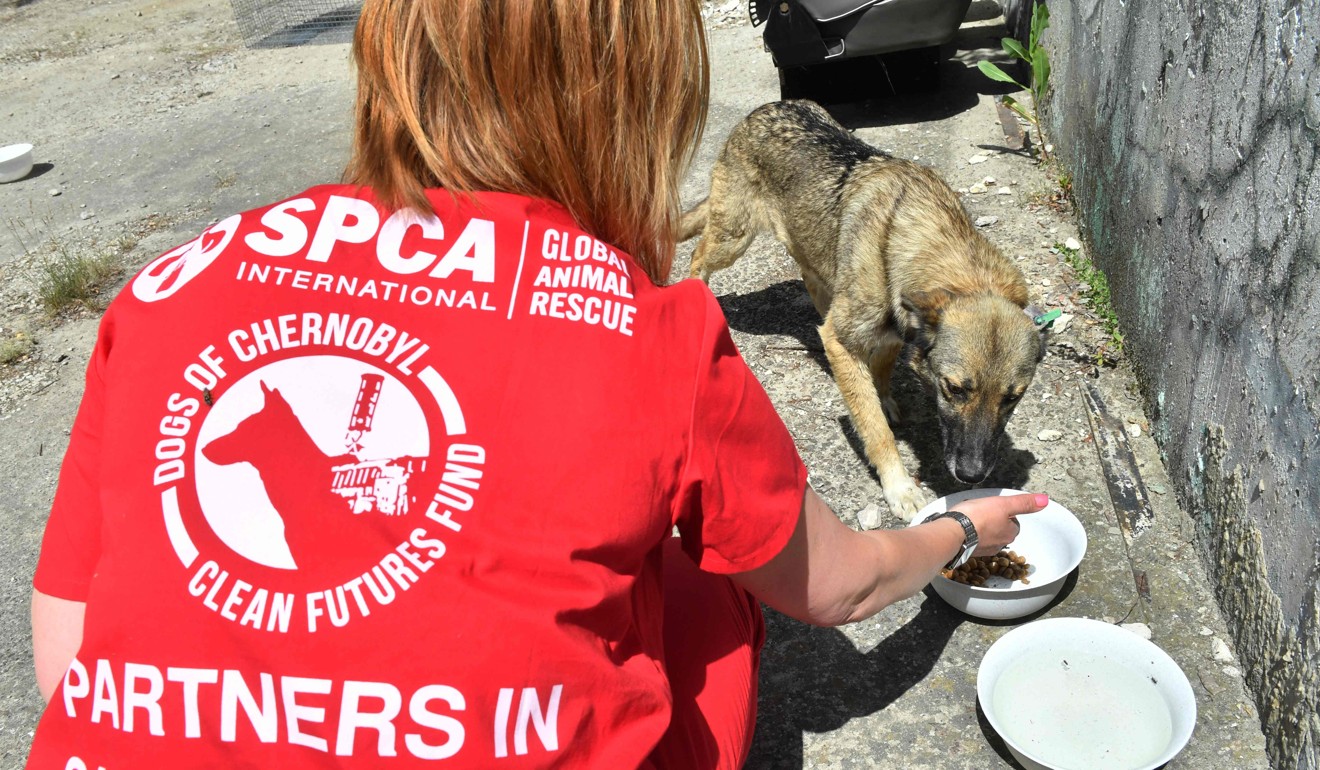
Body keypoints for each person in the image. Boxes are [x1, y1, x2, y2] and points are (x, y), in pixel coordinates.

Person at [26, 0, 1046, 768]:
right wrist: (968, 529)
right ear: (636, 99)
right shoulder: (650, 328)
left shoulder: (170, 284)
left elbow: (70, 654)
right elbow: (839, 584)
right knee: (713, 577)